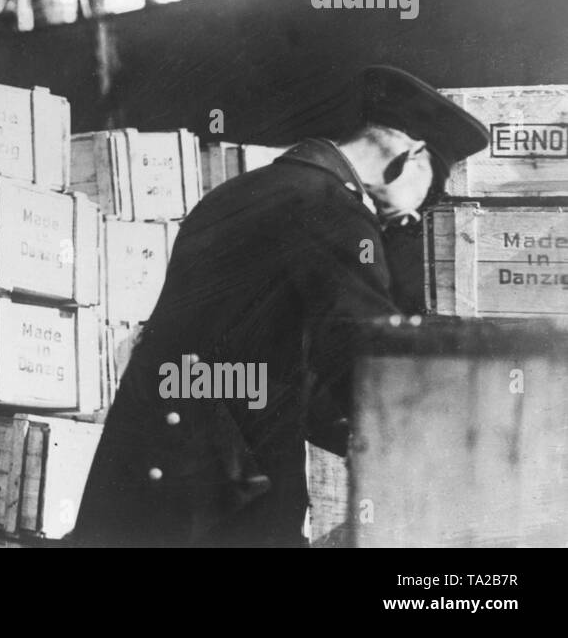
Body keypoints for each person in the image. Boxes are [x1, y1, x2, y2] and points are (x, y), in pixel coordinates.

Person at [72, 66, 489, 547]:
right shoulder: (332, 208)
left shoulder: (238, 194)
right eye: (430, 188)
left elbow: (260, 358)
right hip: (224, 490)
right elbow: (363, 349)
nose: (417, 213)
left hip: (152, 471)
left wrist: (347, 431)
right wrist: (433, 439)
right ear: (409, 155)